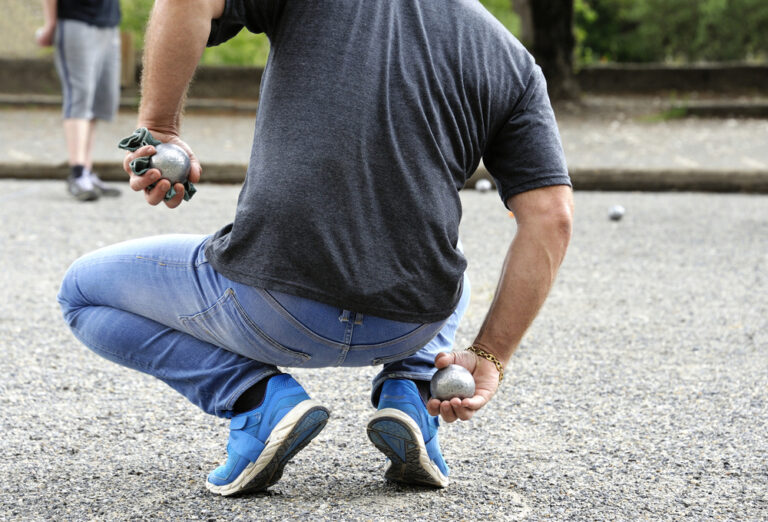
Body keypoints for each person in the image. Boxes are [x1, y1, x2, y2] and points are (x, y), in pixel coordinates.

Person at [57, 0, 574, 495]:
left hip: (273, 308)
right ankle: (415, 390)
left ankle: (255, 399)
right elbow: (550, 219)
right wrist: (489, 354)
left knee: (80, 293)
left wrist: (161, 128)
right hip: (408, 323)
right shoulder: (513, 61)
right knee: (446, 245)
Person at [36, 0, 122, 201]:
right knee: (79, 96)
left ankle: (86, 170)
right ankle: (77, 173)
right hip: (75, 21)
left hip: (109, 23)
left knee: (99, 101)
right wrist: (51, 24)